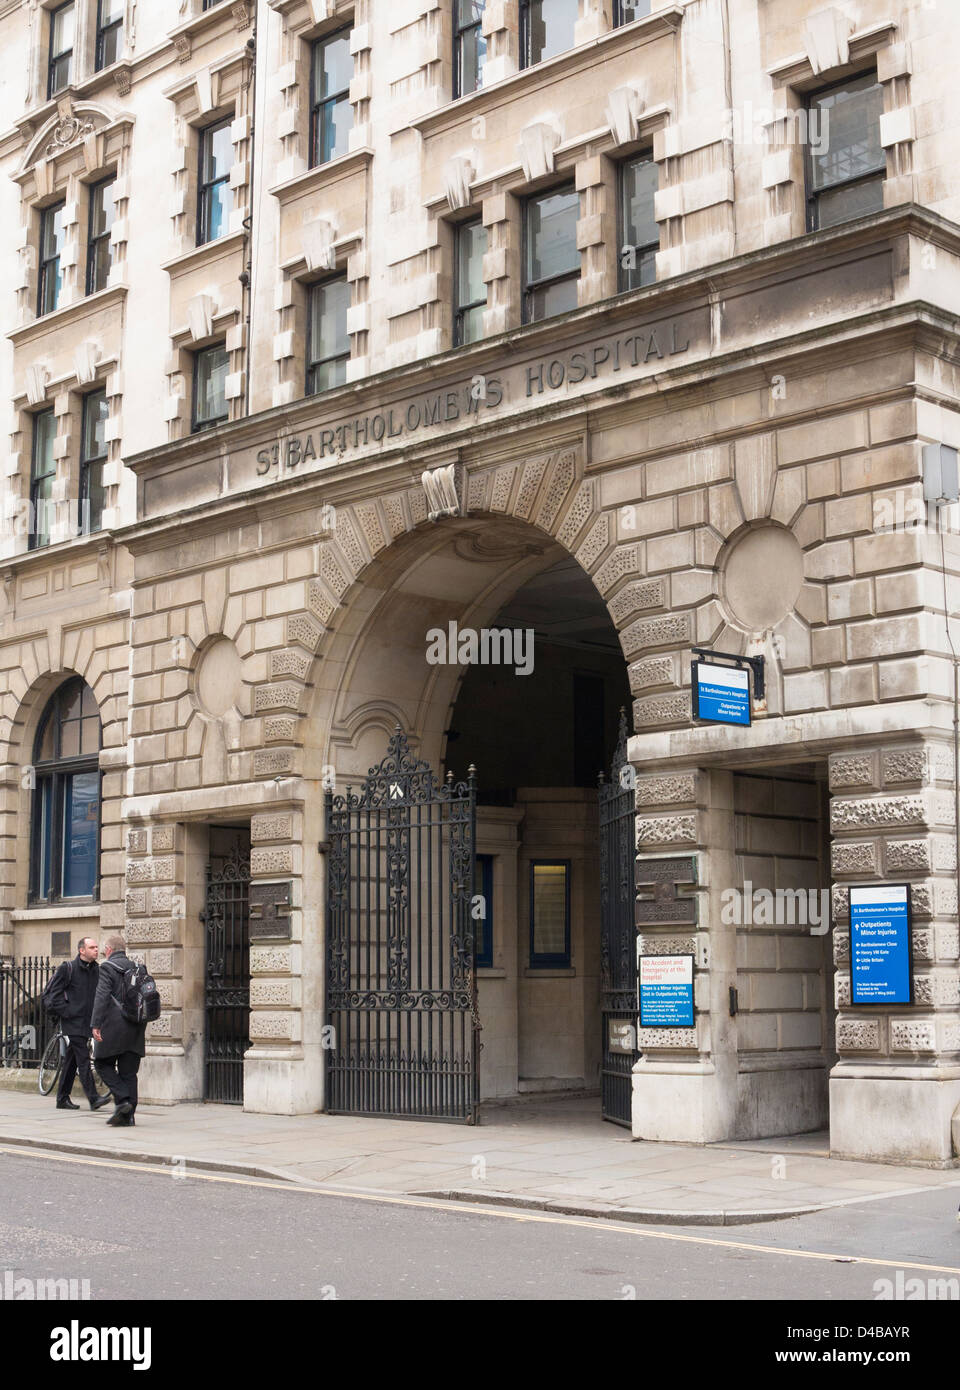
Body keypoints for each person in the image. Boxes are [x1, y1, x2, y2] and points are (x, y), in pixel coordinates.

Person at [46, 936, 112, 1112]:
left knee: (72, 1059)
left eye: (97, 947)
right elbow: (54, 995)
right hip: (72, 1022)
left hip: (88, 1022)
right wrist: (68, 1012)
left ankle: (62, 1098)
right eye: (92, 947)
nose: (96, 950)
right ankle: (93, 1098)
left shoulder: (97, 970)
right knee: (83, 1059)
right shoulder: (68, 968)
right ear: (81, 950)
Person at [91, 934, 148, 1127]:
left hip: (114, 1028)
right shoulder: (138, 968)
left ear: (108, 950)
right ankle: (128, 1116)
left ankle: (122, 1100)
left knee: (101, 1063)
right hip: (136, 1027)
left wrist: (95, 1024)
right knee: (129, 1073)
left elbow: (101, 997)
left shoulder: (106, 968)